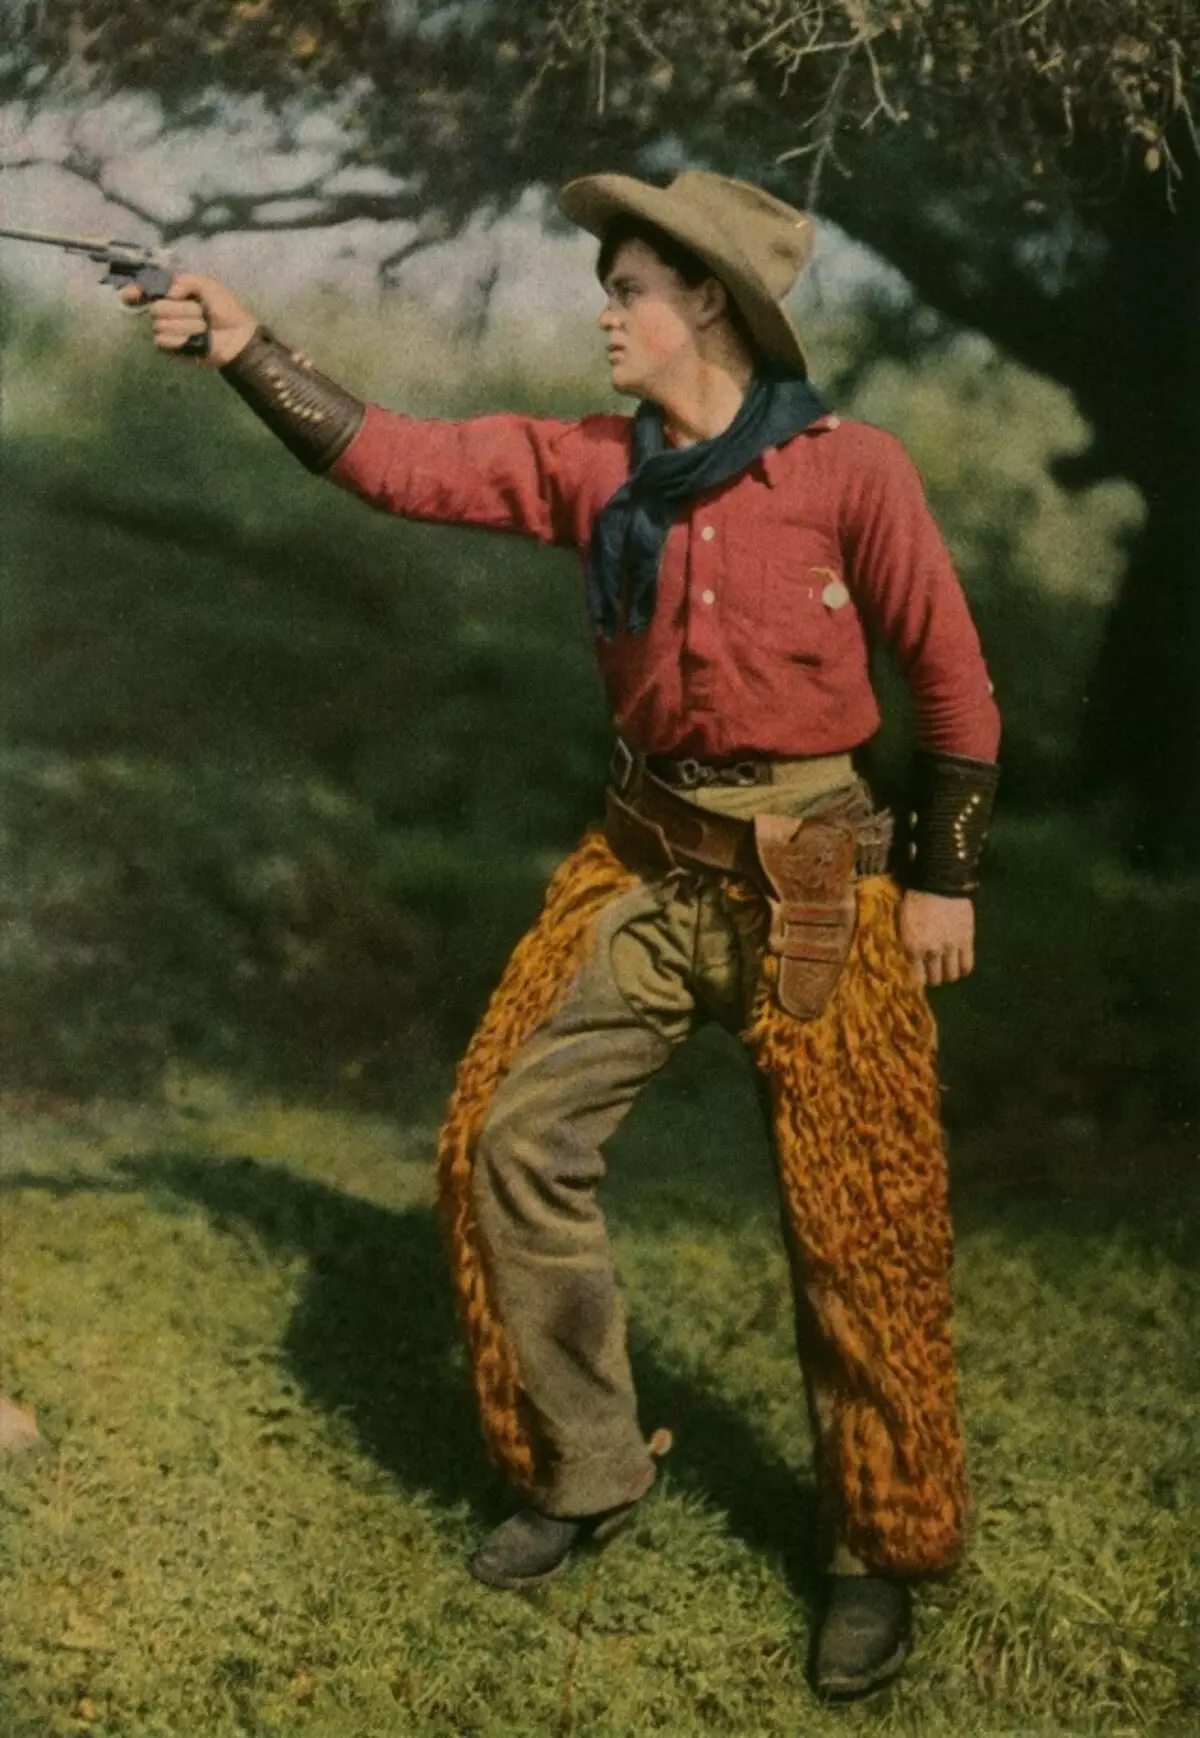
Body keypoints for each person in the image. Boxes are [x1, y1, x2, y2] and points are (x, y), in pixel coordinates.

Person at [130, 170, 1000, 1700]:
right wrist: (248, 346)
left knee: (861, 1214)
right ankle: (585, 1465)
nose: (604, 311)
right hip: (643, 864)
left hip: (826, 879)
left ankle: (877, 1547)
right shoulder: (592, 466)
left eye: (631, 288)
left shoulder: (853, 470)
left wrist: (946, 877)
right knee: (504, 1136)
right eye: (606, 286)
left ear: (711, 305)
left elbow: (950, 676)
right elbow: (395, 459)